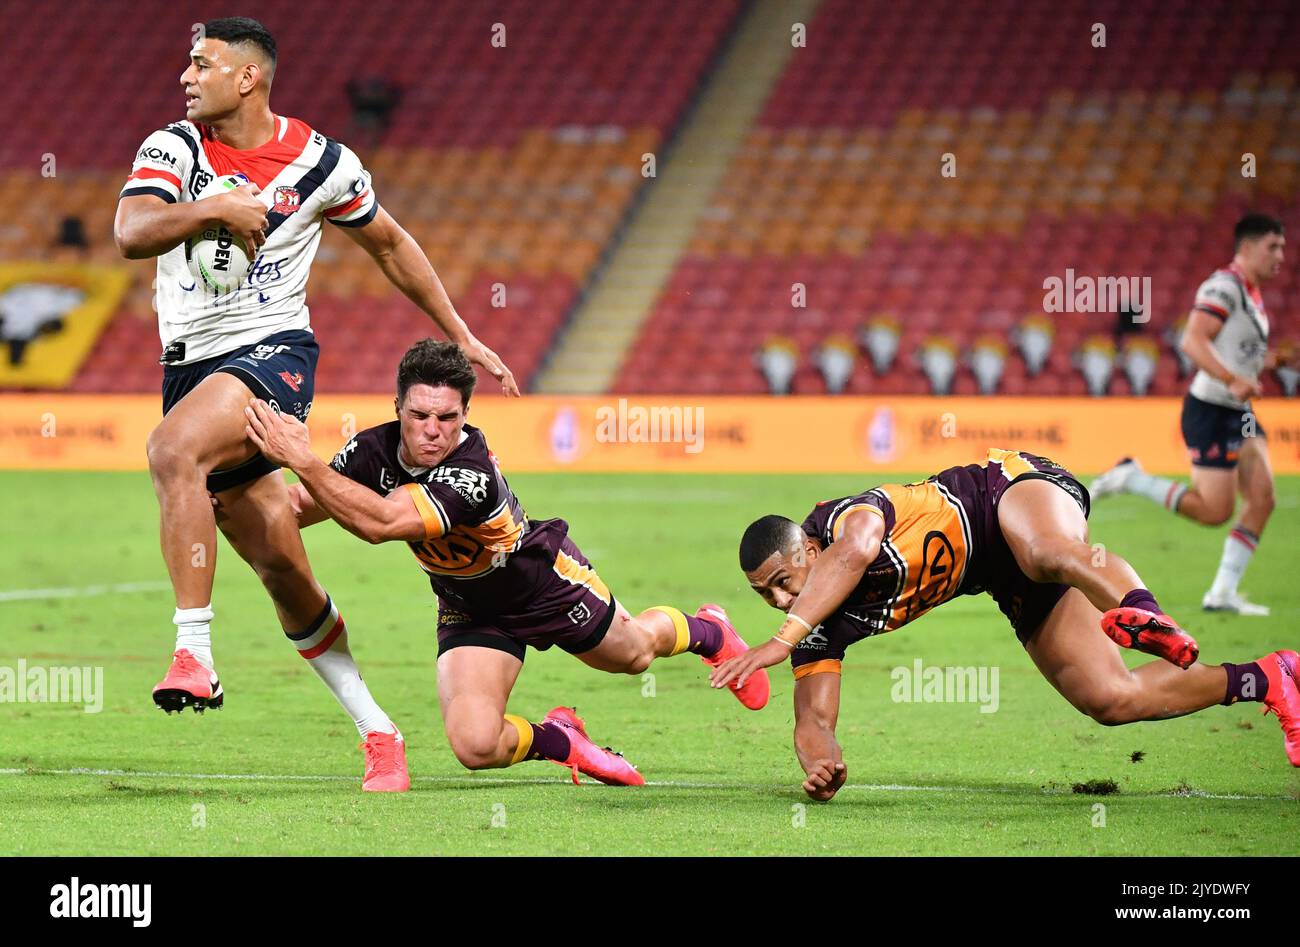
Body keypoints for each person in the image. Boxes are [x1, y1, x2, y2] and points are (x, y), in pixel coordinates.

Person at [112, 17, 517, 791]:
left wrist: (460, 334)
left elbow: (391, 244)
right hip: (190, 368)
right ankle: (380, 730)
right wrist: (214, 211)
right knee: (280, 566)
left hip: (273, 357)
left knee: (172, 451)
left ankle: (192, 650)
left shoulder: (324, 161)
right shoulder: (174, 148)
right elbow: (131, 231)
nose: (186, 76)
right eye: (186, 63)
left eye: (203, 63)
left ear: (248, 78)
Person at [243, 339, 769, 785]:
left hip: (543, 583)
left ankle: (710, 633)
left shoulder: (471, 473)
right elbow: (302, 504)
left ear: (465, 416)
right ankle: (559, 740)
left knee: (632, 657)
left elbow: (381, 524)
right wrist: (218, 496)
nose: (432, 430)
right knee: (475, 747)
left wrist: (304, 460)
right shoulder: (369, 451)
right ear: (397, 406)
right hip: (468, 604)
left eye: (447, 418)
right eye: (418, 415)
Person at [710, 449, 1299, 801]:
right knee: (1110, 698)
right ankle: (1270, 677)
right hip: (997, 573)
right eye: (766, 595)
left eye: (784, 581)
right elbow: (812, 719)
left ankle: (1144, 610)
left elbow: (857, 551)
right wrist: (820, 765)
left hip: (1005, 492)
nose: (782, 600)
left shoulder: (841, 521)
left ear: (809, 551)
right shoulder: (817, 627)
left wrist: (779, 639)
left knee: (1048, 550)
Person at [1092, 214, 1290, 615]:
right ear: (1247, 248)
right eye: (1273, 247)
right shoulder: (1224, 287)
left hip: (1240, 411)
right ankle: (1131, 478)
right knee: (1214, 511)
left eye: (1283, 247)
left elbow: (1235, 352)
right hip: (1212, 410)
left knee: (1263, 497)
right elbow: (1193, 340)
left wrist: (1270, 361)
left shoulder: (1250, 294)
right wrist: (1231, 377)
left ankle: (1221, 593)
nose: (1281, 256)